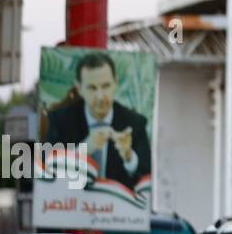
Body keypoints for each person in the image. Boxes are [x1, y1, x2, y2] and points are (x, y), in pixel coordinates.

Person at [44, 51, 152, 192]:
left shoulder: (135, 123)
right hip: (72, 205)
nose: (100, 96)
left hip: (117, 210)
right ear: (80, 89)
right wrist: (82, 150)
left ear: (115, 83)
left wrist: (129, 156)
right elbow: (46, 176)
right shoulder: (60, 120)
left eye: (106, 86)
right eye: (92, 88)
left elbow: (147, 179)